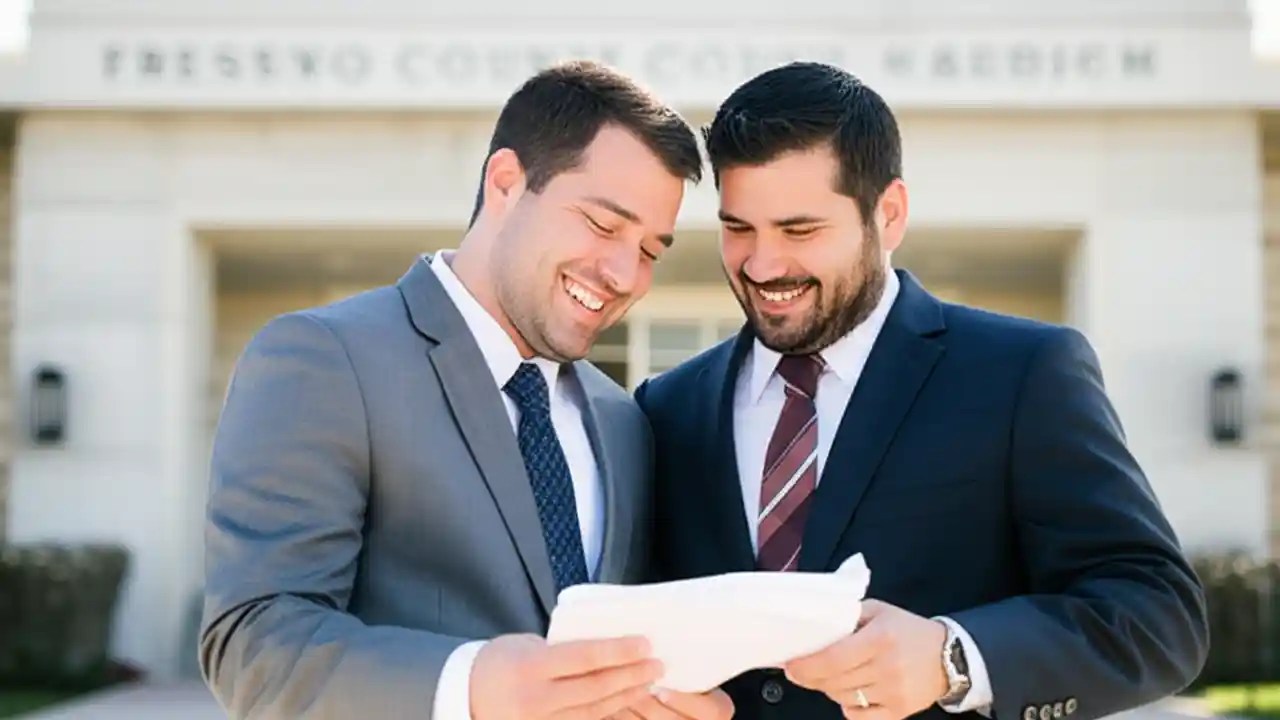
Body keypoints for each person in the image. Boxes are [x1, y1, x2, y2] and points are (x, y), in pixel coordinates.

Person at [635, 61, 1209, 720]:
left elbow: (1159, 615)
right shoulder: (667, 410)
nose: (762, 265)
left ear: (890, 214)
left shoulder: (1024, 374)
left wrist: (951, 658)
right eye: (739, 228)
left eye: (800, 231)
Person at [200, 60, 732, 720]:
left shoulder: (621, 422)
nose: (625, 273)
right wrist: (471, 685)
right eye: (602, 225)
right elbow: (255, 641)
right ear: (506, 182)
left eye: (651, 250)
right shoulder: (326, 360)